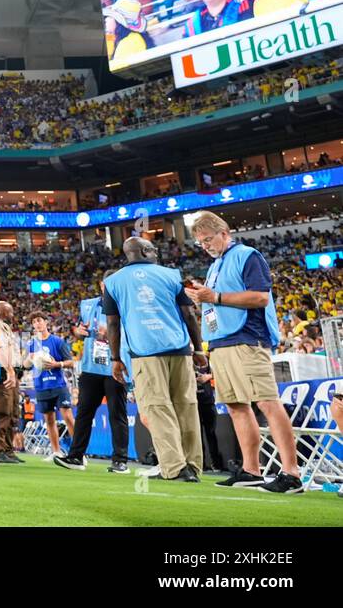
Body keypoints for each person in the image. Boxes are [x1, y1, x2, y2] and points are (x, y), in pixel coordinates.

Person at [184, 211, 302, 493]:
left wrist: (215, 297)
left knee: (267, 402)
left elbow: (261, 297)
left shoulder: (248, 255)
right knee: (236, 406)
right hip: (221, 342)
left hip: (248, 338)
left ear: (224, 232)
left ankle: (292, 472)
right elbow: (217, 303)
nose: (205, 246)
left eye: (208, 239)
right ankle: (251, 470)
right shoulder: (215, 266)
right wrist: (203, 297)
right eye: (201, 242)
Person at [99, 235, 205, 482]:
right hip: (179, 348)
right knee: (186, 406)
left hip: (145, 354)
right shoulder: (171, 275)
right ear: (144, 251)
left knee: (158, 409)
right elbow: (188, 314)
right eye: (153, 249)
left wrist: (115, 358)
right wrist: (198, 349)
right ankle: (192, 466)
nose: (156, 251)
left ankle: (175, 468)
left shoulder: (113, 282)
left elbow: (113, 324)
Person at [54, 293, 130, 473]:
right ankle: (76, 457)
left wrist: (110, 334)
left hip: (115, 367)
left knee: (116, 414)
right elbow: (80, 329)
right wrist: (78, 332)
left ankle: (120, 461)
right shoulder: (88, 305)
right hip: (90, 368)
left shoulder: (126, 302)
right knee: (83, 414)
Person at [26, 314, 75, 457]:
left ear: (46, 322)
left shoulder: (57, 341)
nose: (37, 324)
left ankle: (78, 451)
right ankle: (56, 452)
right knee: (49, 420)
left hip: (58, 384)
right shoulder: (31, 344)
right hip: (41, 386)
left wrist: (57, 364)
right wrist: (30, 358)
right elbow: (25, 365)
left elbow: (70, 362)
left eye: (39, 320)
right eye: (34, 322)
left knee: (68, 416)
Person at [0, 301, 22, 464]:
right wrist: (9, 370)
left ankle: (8, 449)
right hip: (4, 372)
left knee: (12, 414)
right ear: (3, 312)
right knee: (3, 412)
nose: (12, 315)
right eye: (9, 312)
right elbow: (1, 350)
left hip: (12, 372)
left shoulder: (5, 327)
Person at [194, 358, 226, 473]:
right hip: (194, 403)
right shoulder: (186, 361)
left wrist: (207, 377)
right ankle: (200, 463)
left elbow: (220, 372)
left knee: (211, 433)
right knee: (197, 435)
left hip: (208, 401)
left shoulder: (208, 361)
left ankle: (216, 464)